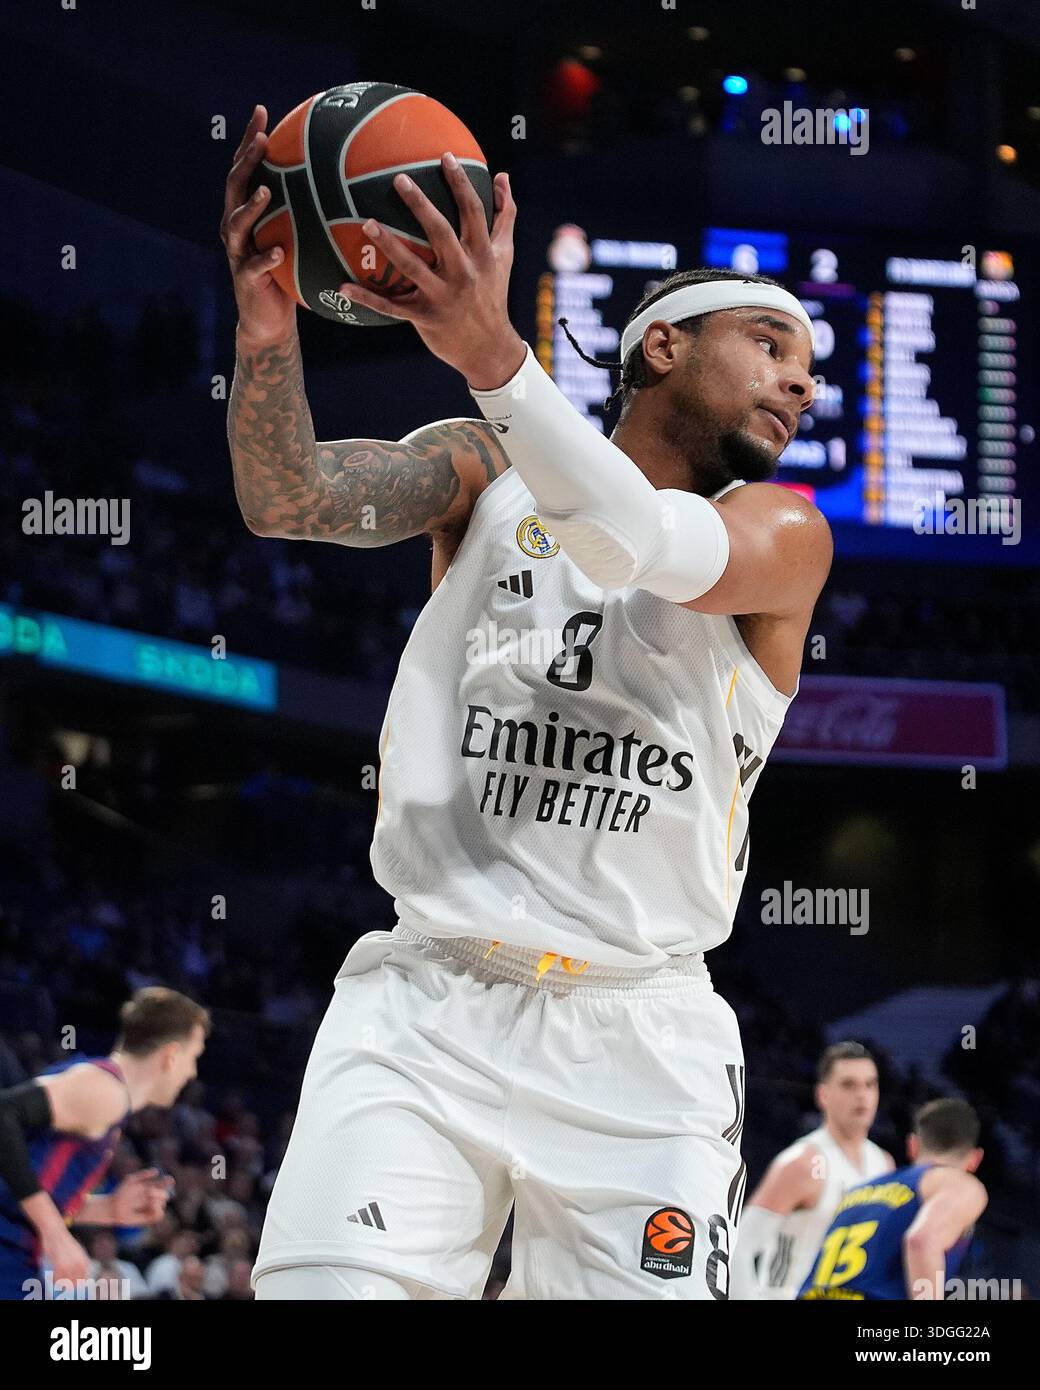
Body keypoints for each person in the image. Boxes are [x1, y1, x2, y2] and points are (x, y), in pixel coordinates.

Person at [222, 105, 830, 1300]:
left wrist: (492, 350)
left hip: (636, 1041)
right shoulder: (480, 465)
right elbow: (290, 499)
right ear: (661, 348)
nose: (801, 381)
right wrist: (265, 328)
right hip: (423, 1003)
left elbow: (635, 544)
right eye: (767, 342)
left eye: (803, 366)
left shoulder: (782, 535)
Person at [0, 987, 209, 1300]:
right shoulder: (105, 1090)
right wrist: (55, 1233)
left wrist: (106, 1209)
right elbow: (3, 1115)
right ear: (171, 1056)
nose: (192, 1073)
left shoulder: (106, 1094)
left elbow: (17, 1185)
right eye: (194, 1058)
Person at [731, 1042, 894, 1298]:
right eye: (849, 1085)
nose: (862, 1095)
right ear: (823, 1095)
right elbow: (739, 1247)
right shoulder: (803, 1163)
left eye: (869, 1084)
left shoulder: (883, 1163)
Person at [797, 1098, 986, 1300]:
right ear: (975, 1159)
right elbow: (921, 1241)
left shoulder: (858, 1192)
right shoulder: (957, 1183)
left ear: (912, 1145)